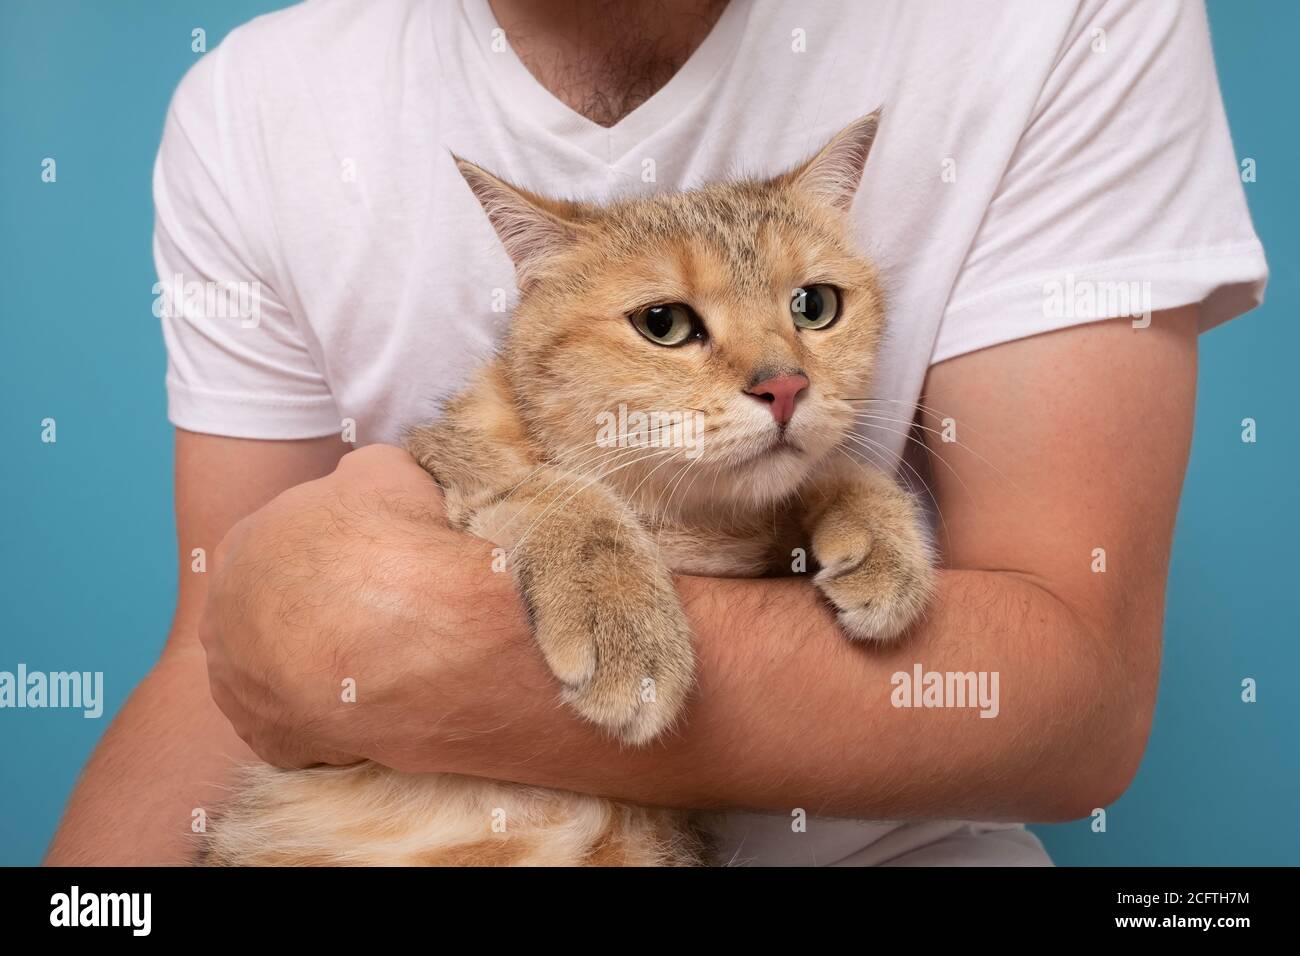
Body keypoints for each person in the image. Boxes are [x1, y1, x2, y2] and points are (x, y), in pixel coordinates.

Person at [47, 0, 1265, 866]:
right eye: (676, 322)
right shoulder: (254, 102)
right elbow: (225, 661)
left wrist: (423, 635)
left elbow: (1080, 699)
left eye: (814, 309)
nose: (777, 376)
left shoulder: (1068, 17)